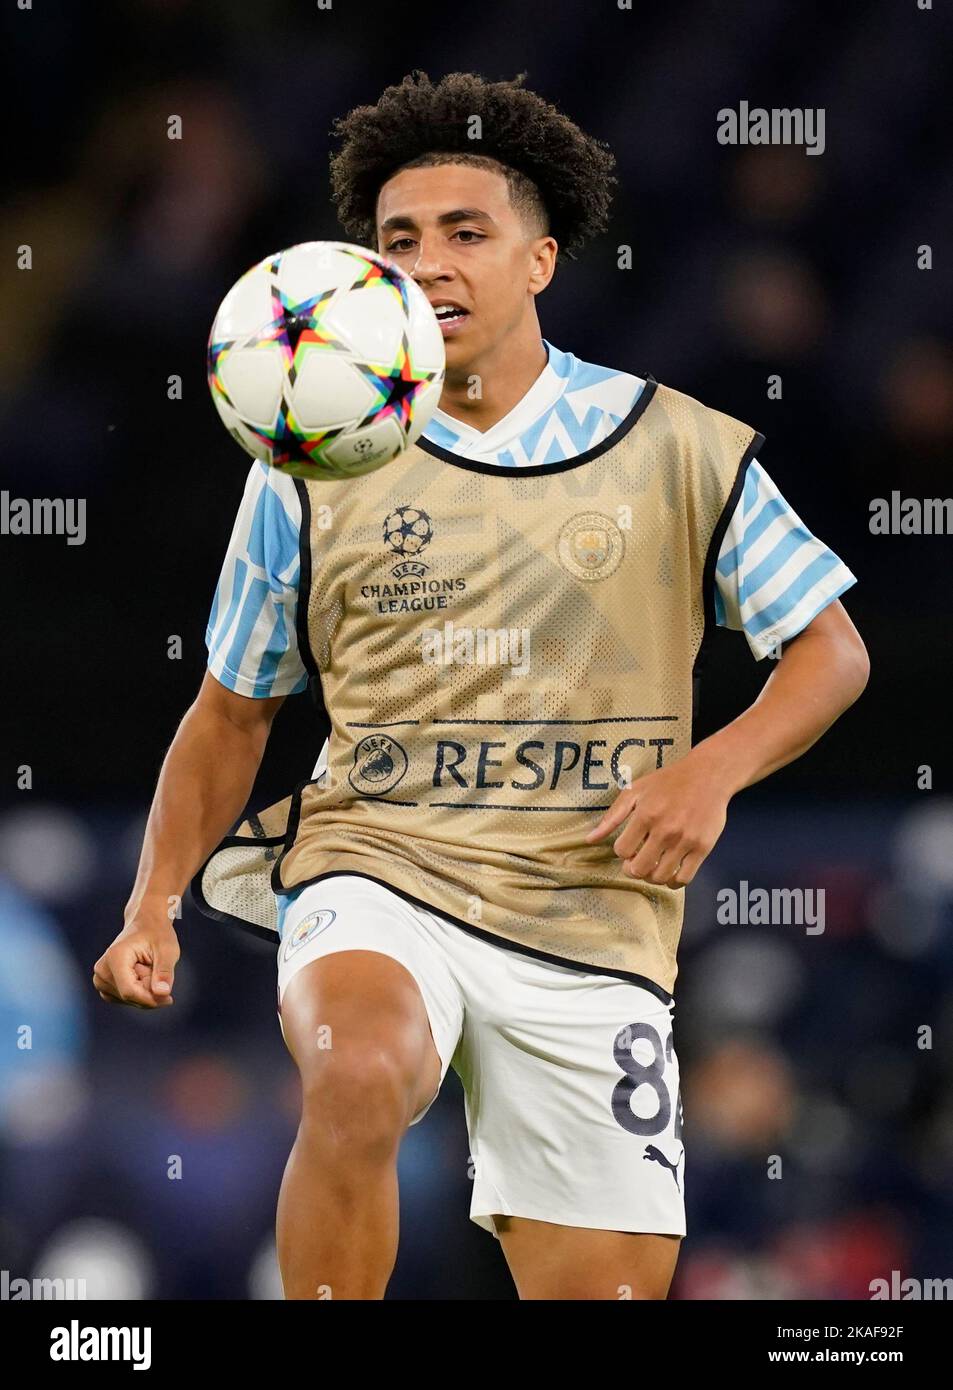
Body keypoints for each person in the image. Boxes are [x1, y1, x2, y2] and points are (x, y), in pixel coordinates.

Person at [93, 71, 869, 1300]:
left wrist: (709, 772)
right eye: (399, 240)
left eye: (466, 232)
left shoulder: (672, 444)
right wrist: (153, 903)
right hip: (378, 860)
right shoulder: (306, 458)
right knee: (357, 1069)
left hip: (587, 906)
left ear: (539, 261)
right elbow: (232, 709)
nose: (429, 261)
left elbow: (831, 650)